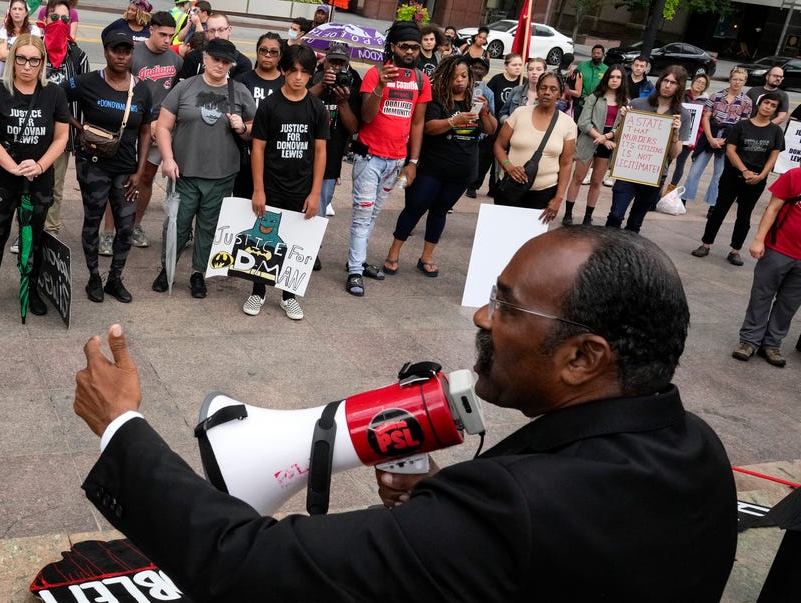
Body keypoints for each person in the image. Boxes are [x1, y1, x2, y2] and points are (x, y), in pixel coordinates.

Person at [72, 226, 737, 602]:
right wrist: (438, 514)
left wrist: (120, 426)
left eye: (505, 305)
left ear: (583, 357)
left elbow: (248, 567)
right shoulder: (698, 450)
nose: (482, 318)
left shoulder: (505, 512)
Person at [151, 38, 256, 299]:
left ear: (231, 65)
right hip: (184, 172)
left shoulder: (239, 91)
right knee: (176, 224)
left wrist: (242, 128)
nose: (220, 65)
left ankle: (198, 273)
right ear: (205, 58)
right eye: (215, 59)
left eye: (225, 62)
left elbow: (254, 129)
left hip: (221, 174)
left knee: (209, 227)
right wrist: (168, 159)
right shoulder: (185, 87)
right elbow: (163, 126)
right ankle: (167, 267)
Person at [0, 33, 70, 317]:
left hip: (38, 180)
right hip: (1, 179)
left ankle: (31, 287)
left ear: (42, 63)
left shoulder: (54, 93)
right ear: (13, 59)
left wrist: (39, 166)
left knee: (33, 237)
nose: (27, 66)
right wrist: (12, 167)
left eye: (34, 60)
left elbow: (61, 138)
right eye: (21, 59)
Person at [382, 55, 496, 278]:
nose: (460, 80)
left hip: (461, 172)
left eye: (464, 76)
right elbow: (429, 127)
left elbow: (491, 130)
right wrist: (454, 121)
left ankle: (427, 256)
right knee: (415, 208)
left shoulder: (474, 100)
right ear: (445, 77)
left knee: (440, 212)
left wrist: (485, 112)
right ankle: (393, 251)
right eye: (455, 76)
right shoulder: (436, 99)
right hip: (431, 169)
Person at [64, 30, 153, 305]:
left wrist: (140, 172)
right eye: (116, 50)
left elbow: (146, 132)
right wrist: (78, 128)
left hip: (126, 169)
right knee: (92, 221)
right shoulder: (87, 82)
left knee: (125, 227)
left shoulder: (142, 89)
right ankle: (93, 277)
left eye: (126, 51)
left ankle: (115, 278)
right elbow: (55, 97)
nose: (121, 56)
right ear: (105, 51)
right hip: (93, 165)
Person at [346, 21, 430, 297]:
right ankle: (355, 271)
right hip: (369, 158)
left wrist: (413, 163)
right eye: (404, 46)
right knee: (362, 215)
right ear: (393, 47)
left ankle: (357, 261)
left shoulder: (421, 80)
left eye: (415, 47)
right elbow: (366, 117)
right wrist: (381, 85)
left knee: (373, 215)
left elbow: (417, 123)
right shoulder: (375, 74)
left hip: (396, 162)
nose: (410, 52)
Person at [243, 43, 327, 320]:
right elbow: (258, 148)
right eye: (293, 71)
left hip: (302, 187)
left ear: (311, 74)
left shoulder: (316, 108)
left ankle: (289, 296)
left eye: (304, 72)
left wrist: (316, 193)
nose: (298, 77)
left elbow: (320, 151)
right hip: (271, 185)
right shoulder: (269, 105)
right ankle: (258, 291)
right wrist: (258, 189)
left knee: (295, 242)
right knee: (263, 240)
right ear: (283, 70)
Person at [691, 92, 784, 267]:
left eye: (773, 106)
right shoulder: (741, 126)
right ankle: (706, 244)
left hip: (756, 180)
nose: (768, 107)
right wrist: (744, 170)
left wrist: (762, 175)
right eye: (766, 103)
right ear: (759, 104)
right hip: (732, 176)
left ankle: (735, 250)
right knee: (719, 210)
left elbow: (774, 155)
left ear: (775, 111)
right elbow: (730, 151)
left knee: (744, 215)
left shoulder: (776, 131)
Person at [122, 11, 183, 251]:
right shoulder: (134, 54)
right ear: (151, 30)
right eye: (163, 34)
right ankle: (113, 225)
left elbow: (175, 95)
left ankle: (135, 224)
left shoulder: (176, 61)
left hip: (159, 127)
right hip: (132, 123)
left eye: (171, 36)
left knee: (147, 176)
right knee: (124, 175)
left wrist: (163, 122)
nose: (167, 40)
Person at [605, 66, 690, 233]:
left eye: (673, 83)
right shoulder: (637, 104)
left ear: (679, 87)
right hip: (628, 170)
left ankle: (629, 248)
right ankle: (608, 245)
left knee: (635, 222)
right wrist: (624, 120)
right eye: (665, 80)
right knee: (615, 215)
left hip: (654, 175)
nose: (667, 85)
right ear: (660, 81)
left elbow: (674, 154)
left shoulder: (682, 115)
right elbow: (620, 138)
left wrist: (675, 133)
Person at [732, 166, 801, 367]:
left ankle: (772, 344)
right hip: (778, 248)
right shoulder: (794, 176)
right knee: (761, 295)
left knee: (789, 304)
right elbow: (772, 208)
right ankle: (749, 341)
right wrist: (759, 239)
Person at [492, 72, 577, 223]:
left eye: (553, 89)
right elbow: (499, 145)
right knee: (503, 231)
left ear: (559, 94)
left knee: (531, 237)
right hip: (510, 188)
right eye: (543, 88)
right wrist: (508, 167)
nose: (547, 92)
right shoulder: (519, 113)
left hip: (543, 194)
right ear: (537, 90)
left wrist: (558, 198)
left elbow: (566, 164)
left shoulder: (568, 124)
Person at [39, 0, 89, 243]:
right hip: (33, 129)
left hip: (63, 133)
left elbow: (85, 96)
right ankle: (27, 231)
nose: (60, 23)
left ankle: (50, 231)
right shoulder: (33, 50)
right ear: (45, 19)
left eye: (65, 19)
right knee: (28, 184)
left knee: (55, 186)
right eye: (55, 18)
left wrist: (81, 130)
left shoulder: (78, 56)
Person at [563, 66, 628, 226]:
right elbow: (583, 122)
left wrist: (607, 137)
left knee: (596, 181)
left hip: (608, 142)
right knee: (578, 178)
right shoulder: (595, 97)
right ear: (606, 78)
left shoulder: (625, 102)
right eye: (612, 77)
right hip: (589, 139)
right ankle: (568, 213)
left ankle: (588, 216)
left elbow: (623, 126)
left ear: (622, 80)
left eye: (618, 77)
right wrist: (601, 138)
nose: (614, 80)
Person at [683, 68, 753, 209]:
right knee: (695, 170)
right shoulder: (716, 96)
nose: (737, 82)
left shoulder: (747, 101)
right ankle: (683, 199)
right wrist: (710, 138)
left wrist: (726, 141)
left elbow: (743, 125)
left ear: (745, 82)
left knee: (719, 175)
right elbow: (706, 117)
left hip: (730, 137)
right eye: (735, 79)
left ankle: (713, 204)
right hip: (711, 133)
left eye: (740, 80)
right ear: (730, 79)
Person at [308, 41, 360, 226]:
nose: (336, 67)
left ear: (347, 64)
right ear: (325, 62)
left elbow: (354, 128)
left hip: (331, 159)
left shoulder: (351, 84)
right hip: (304, 155)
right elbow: (298, 104)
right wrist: (322, 85)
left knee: (319, 209)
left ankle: (315, 243)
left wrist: (343, 102)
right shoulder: (313, 78)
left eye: (341, 63)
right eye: (333, 62)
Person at [233, 32, 286, 199]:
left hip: (275, 157)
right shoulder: (241, 81)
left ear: (280, 56)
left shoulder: (285, 84)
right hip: (244, 155)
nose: (268, 55)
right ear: (257, 52)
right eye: (263, 50)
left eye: (273, 52)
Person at [469, 52, 523, 199]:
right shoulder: (497, 80)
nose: (517, 67)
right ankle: (473, 185)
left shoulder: (522, 84)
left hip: (510, 129)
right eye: (514, 64)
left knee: (500, 160)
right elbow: (489, 100)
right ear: (506, 66)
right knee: (484, 158)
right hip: (494, 126)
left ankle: (495, 187)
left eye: (520, 65)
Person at [666, 73, 710, 189]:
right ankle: (658, 187)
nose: (699, 85)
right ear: (693, 81)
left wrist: (694, 140)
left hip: (689, 138)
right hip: (673, 134)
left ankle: (670, 189)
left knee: (680, 163)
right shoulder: (681, 95)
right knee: (667, 161)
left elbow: (701, 125)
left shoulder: (705, 102)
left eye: (703, 84)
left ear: (705, 87)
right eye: (698, 81)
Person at [178, 13, 252, 80]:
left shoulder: (242, 63)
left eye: (221, 30)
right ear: (206, 32)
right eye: (212, 31)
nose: (216, 35)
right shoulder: (193, 57)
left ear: (229, 30)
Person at [0, 0, 42, 79]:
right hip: (7, 68)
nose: (17, 12)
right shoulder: (4, 30)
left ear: (26, 13)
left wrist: (11, 54)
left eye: (20, 9)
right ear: (10, 12)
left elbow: (36, 53)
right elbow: (1, 54)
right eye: (14, 9)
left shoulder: (34, 30)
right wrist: (24, 55)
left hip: (27, 68)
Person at [500, 57, 546, 122]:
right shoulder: (516, 90)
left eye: (539, 69)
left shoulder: (547, 95)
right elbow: (503, 113)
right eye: (530, 69)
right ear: (527, 72)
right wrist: (508, 122)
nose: (534, 72)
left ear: (544, 72)